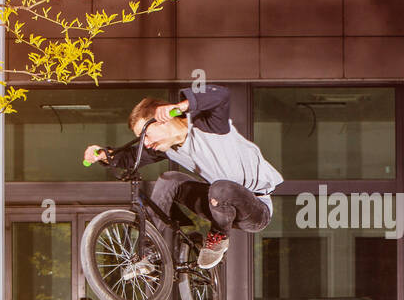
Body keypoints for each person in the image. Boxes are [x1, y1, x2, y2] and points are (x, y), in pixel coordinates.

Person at [83, 84, 283, 269]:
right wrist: (104, 155)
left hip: (255, 208)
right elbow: (129, 157)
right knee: (170, 178)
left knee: (221, 187)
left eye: (148, 135)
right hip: (217, 204)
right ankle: (148, 253)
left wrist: (181, 106)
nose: (146, 143)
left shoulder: (209, 124)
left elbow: (221, 95)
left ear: (165, 120)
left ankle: (219, 238)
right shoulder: (167, 148)